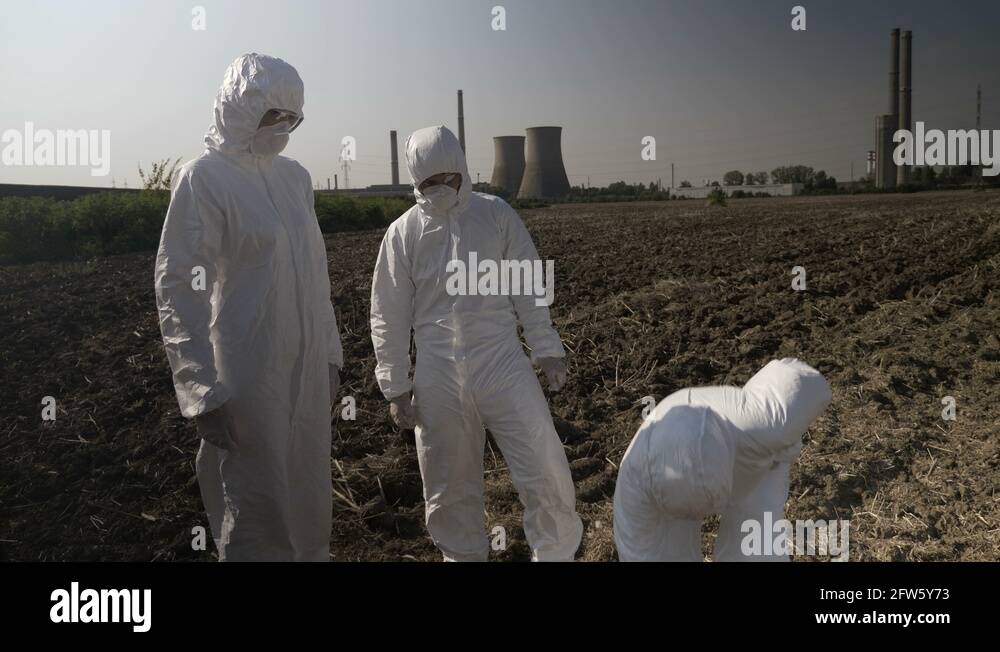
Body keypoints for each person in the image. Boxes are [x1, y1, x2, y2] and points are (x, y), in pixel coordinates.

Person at [154, 53, 343, 561]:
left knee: (307, 485)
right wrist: (200, 391)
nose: (283, 127)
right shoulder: (205, 179)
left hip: (304, 364)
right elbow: (179, 287)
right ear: (239, 108)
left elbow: (316, 273)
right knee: (254, 497)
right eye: (272, 114)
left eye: (292, 117)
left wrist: (328, 354)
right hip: (247, 367)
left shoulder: (295, 178)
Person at [370, 125, 582, 561]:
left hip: (502, 361)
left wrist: (545, 345)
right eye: (429, 182)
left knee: (543, 464)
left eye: (448, 178)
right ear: (416, 181)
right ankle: (462, 556)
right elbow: (387, 314)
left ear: (463, 171)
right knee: (448, 487)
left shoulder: (496, 214)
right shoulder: (404, 233)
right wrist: (395, 385)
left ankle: (556, 552)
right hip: (438, 375)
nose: (441, 189)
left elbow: (527, 282)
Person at [613, 358, 832, 562]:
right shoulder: (636, 486)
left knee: (756, 542)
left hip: (754, 454)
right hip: (651, 497)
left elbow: (797, 382)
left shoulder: (765, 423)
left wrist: (782, 448)